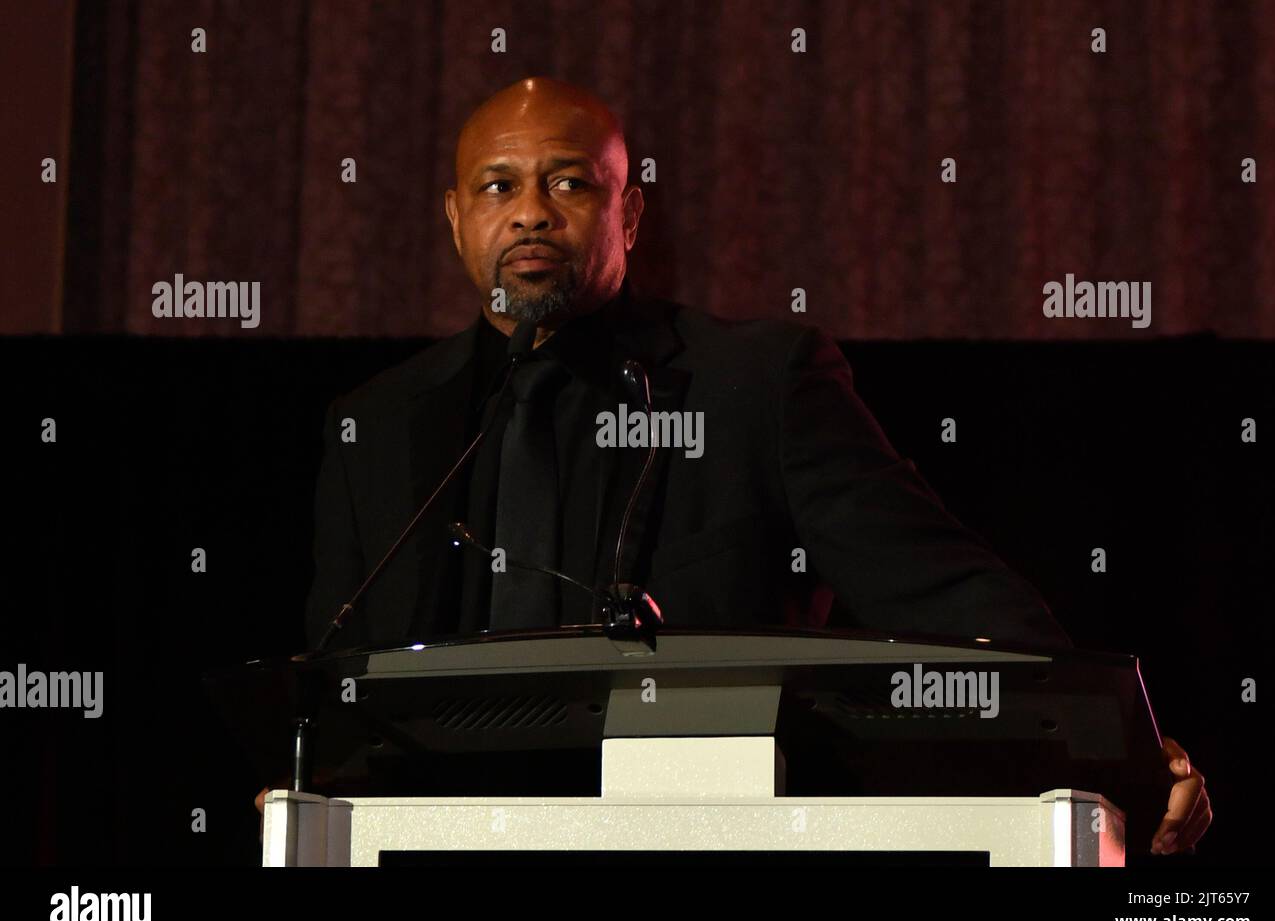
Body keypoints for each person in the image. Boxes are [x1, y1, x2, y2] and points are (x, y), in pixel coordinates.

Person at [263, 77, 1210, 857]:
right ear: (455, 218)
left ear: (628, 214)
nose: (531, 215)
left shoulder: (755, 385)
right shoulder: (380, 426)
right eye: (497, 187)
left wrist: (1113, 747)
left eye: (568, 184)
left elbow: (942, 592)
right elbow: (332, 680)